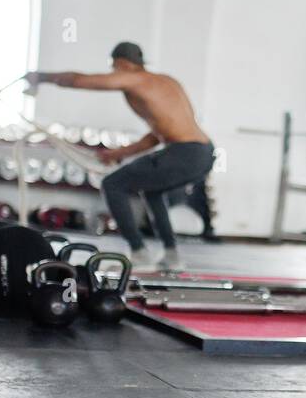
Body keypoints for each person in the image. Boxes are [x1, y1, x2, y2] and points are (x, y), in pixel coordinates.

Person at [26, 42, 214, 271]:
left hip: (184, 152)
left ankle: (139, 252)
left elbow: (80, 80)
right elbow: (157, 135)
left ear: (123, 64)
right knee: (153, 192)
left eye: (114, 67)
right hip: (202, 152)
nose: (114, 73)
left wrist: (41, 77)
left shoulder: (134, 79)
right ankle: (172, 256)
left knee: (113, 184)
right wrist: (119, 153)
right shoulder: (167, 82)